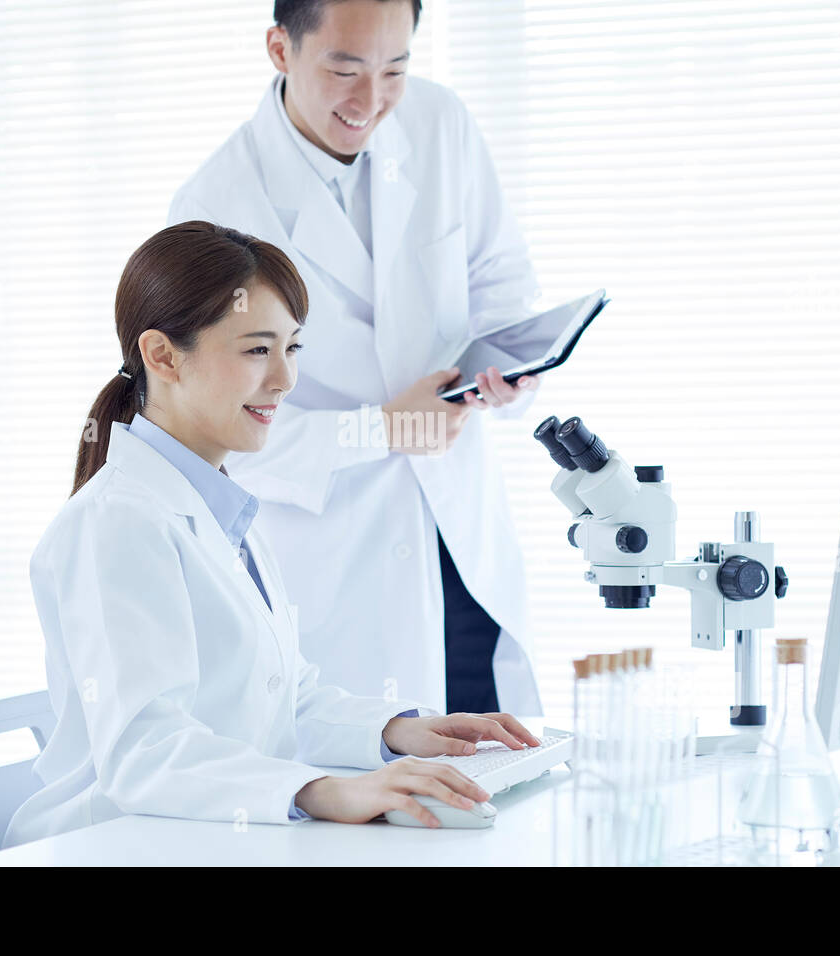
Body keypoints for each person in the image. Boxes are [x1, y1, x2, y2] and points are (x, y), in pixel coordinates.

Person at [1, 222, 540, 847]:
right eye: (258, 350)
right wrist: (322, 790)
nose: (285, 380)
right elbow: (145, 752)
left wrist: (397, 731)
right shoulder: (115, 524)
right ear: (163, 355)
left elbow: (285, 697)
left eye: (292, 349)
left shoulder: (222, 505)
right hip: (109, 844)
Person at [166, 0, 545, 717]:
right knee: (374, 788)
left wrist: (507, 358)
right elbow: (210, 440)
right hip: (337, 566)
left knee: (491, 772)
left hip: (461, 535)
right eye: (344, 68)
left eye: (395, 68)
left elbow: (500, 276)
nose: (372, 101)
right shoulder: (214, 209)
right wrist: (380, 428)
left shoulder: (439, 124)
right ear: (281, 49)